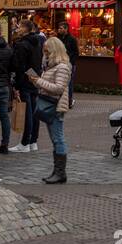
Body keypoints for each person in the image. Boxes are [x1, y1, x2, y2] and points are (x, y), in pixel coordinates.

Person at [28, 35, 73, 184]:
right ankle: (57, 171)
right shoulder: (52, 66)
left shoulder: (61, 67)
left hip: (55, 107)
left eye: (47, 52)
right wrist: (36, 81)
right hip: (51, 105)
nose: (45, 55)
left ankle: (60, 172)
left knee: (58, 139)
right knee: (56, 139)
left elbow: (58, 88)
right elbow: (48, 86)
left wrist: (39, 81)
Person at [10, 19, 43, 153]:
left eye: (20, 27)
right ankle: (33, 141)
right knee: (34, 111)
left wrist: (16, 84)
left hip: (24, 79)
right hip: (35, 77)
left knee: (27, 112)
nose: (18, 28)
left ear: (25, 29)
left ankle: (24, 143)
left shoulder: (22, 45)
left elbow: (19, 65)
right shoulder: (38, 42)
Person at [0, 26, 15, 154]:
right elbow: (12, 66)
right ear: (1, 33)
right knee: (4, 116)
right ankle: (5, 144)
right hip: (5, 85)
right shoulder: (8, 48)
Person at [57, 23, 79, 109]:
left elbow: (76, 52)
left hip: (69, 64)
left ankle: (69, 101)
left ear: (66, 29)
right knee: (59, 82)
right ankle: (61, 101)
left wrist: (71, 62)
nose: (59, 29)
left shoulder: (72, 39)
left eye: (61, 28)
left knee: (69, 83)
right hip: (60, 63)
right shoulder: (58, 39)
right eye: (59, 28)